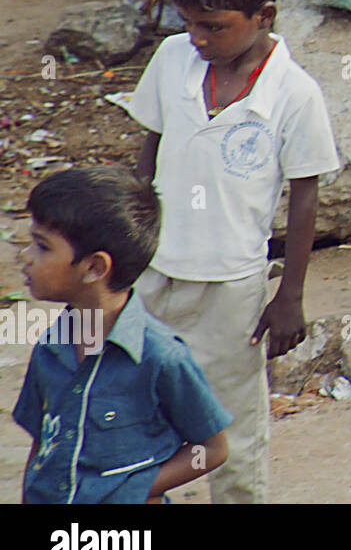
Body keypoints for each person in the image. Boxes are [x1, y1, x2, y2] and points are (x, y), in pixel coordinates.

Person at [126, 0, 341, 502]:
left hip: (231, 288)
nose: (197, 38)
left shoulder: (295, 94)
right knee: (139, 409)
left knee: (231, 424)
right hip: (154, 272)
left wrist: (289, 295)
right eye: (189, 23)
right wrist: (126, 247)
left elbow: (304, 197)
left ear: (263, 17)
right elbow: (148, 152)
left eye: (213, 27)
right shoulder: (174, 58)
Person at [14, 166, 232, 504]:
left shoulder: (161, 356)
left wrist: (136, 489)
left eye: (42, 246)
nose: (25, 258)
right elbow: (43, 445)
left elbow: (212, 450)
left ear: (95, 268)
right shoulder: (50, 349)